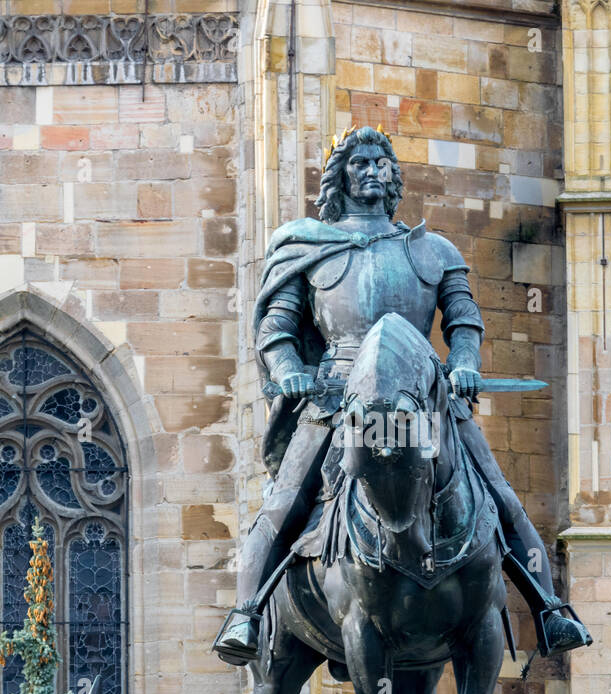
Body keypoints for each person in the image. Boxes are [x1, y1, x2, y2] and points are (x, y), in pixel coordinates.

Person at [214, 125, 591, 665]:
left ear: (395, 177)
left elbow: (463, 323)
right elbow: (276, 327)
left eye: (381, 164)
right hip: (334, 398)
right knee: (283, 504)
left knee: (500, 495)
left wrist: (463, 365)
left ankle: (551, 609)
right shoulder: (308, 246)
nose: (372, 171)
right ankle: (246, 613)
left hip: (424, 396)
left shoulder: (433, 250)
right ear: (340, 177)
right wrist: (290, 368)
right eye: (360, 163)